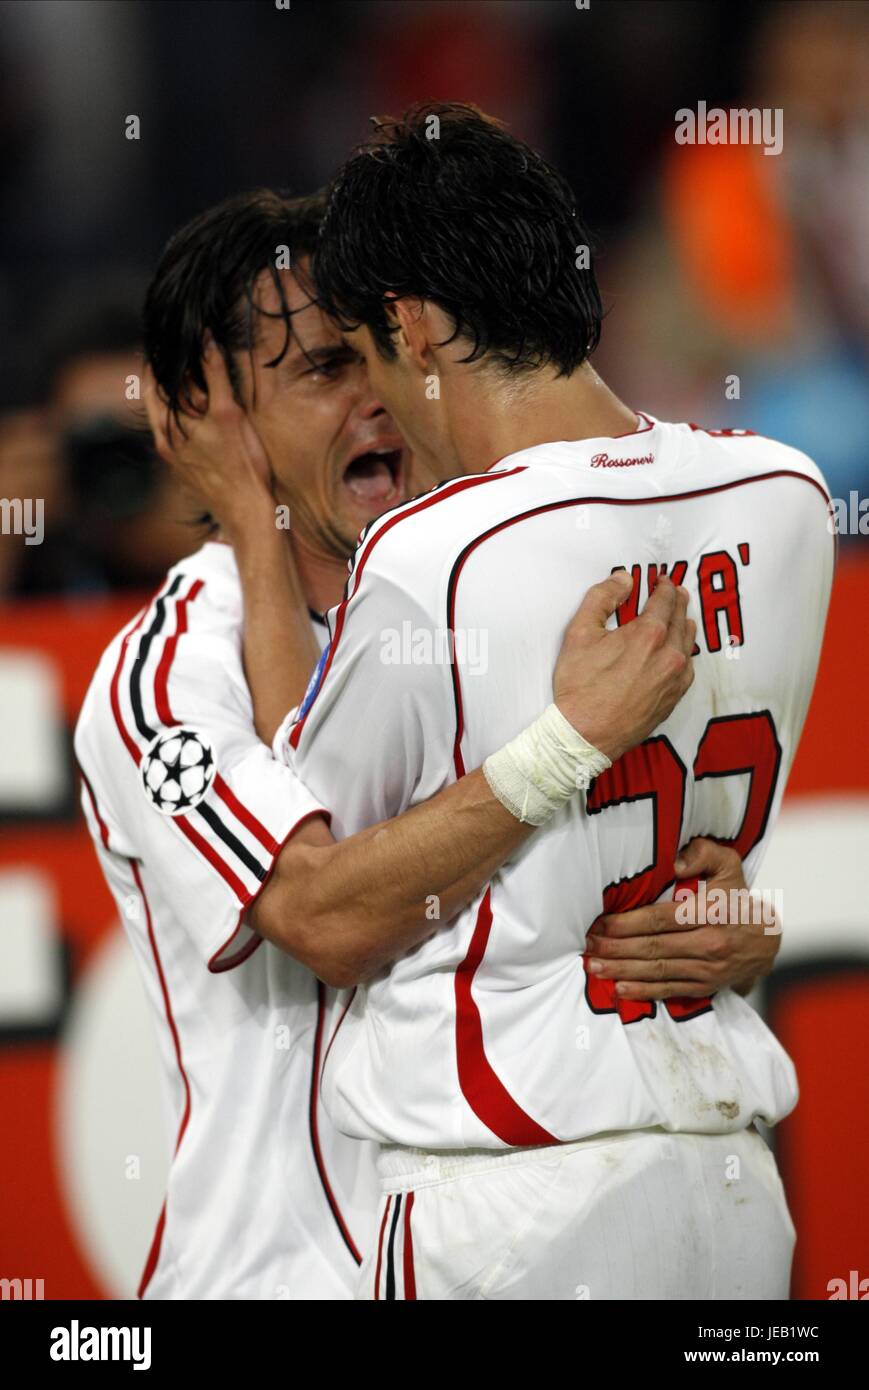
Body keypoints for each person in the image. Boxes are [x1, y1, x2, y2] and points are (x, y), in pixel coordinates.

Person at [77, 188, 719, 1300]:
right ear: (201, 412)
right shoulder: (169, 670)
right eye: (323, 368)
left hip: (496, 1256)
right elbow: (325, 917)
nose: (374, 396)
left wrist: (719, 930)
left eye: (378, 353)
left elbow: (634, 902)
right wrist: (559, 747)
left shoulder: (496, 602)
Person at [258, 104, 834, 1300]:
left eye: (364, 354)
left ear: (410, 325)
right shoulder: (787, 493)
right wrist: (754, 915)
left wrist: (556, 749)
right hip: (732, 1193)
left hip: (511, 1201)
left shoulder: (435, 554)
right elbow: (720, 861)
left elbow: (319, 912)